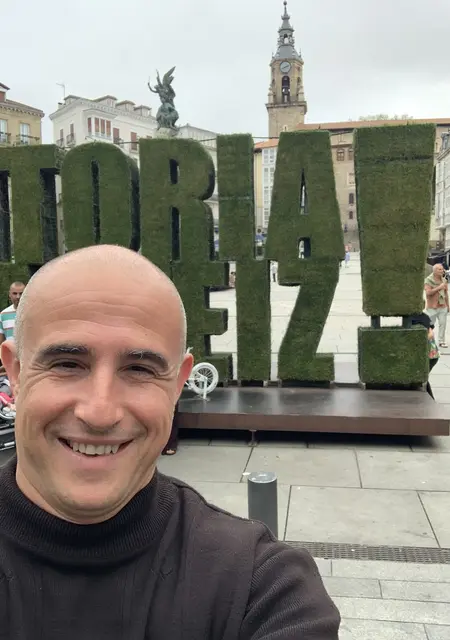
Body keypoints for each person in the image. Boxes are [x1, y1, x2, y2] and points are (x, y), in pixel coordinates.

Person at [0, 245, 339, 639]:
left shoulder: (262, 588)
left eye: (140, 369)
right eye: (66, 364)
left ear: (178, 384)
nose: (100, 412)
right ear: (15, 372)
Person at [411, 313, 440, 399]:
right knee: (421, 378)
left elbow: (428, 336)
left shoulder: (414, 319)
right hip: (432, 355)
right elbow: (431, 329)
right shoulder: (423, 316)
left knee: (419, 378)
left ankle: (428, 399)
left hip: (429, 356)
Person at [424, 263, 449, 348]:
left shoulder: (444, 280)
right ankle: (429, 340)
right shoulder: (428, 280)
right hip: (432, 307)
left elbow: (446, 294)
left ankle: (441, 341)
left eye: (442, 269)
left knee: (443, 324)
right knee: (430, 325)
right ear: (434, 271)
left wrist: (448, 305)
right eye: (440, 269)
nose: (442, 271)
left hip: (443, 306)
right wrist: (439, 287)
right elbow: (428, 293)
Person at [0, 281, 26, 345]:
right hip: (10, 351)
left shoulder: (32, 312)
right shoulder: (3, 315)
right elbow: (1, 343)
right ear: (10, 294)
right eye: (15, 293)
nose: (18, 297)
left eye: (21, 293)